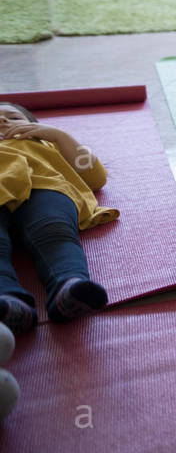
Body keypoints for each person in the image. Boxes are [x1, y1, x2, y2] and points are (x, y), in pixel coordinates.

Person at [0, 101, 112, 334]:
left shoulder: (42, 144)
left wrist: (60, 137)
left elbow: (96, 178)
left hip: (44, 188)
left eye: (12, 117)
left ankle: (70, 286)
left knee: (55, 232)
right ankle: (7, 300)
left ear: (33, 127)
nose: (3, 121)